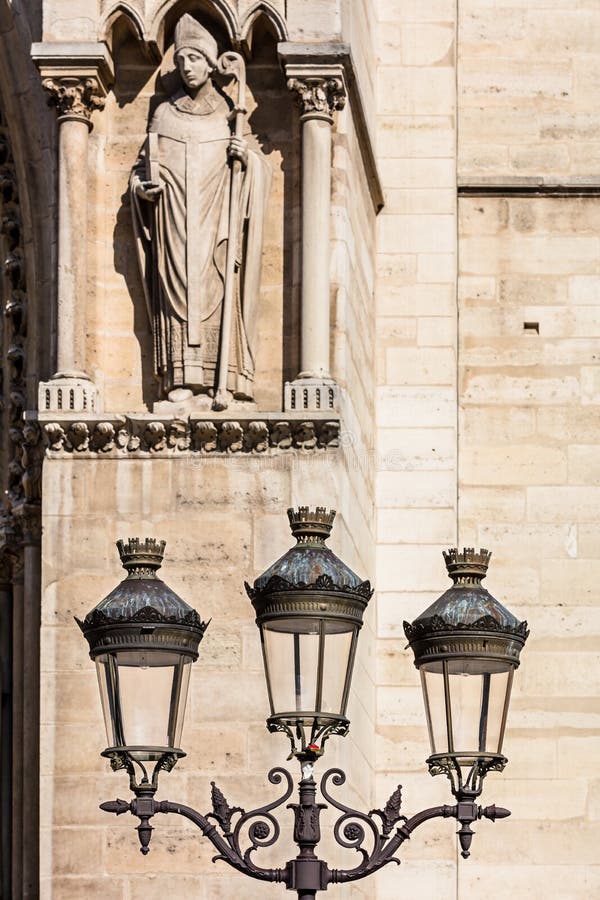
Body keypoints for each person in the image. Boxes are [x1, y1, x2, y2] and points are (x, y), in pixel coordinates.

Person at [130, 14, 271, 401]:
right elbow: (144, 169)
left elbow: (253, 174)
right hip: (173, 223)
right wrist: (143, 188)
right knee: (175, 292)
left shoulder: (228, 117)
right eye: (180, 61)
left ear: (211, 63)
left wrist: (247, 161)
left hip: (214, 226)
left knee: (216, 285)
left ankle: (221, 376)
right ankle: (180, 377)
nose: (186, 67)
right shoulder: (163, 115)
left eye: (193, 59)